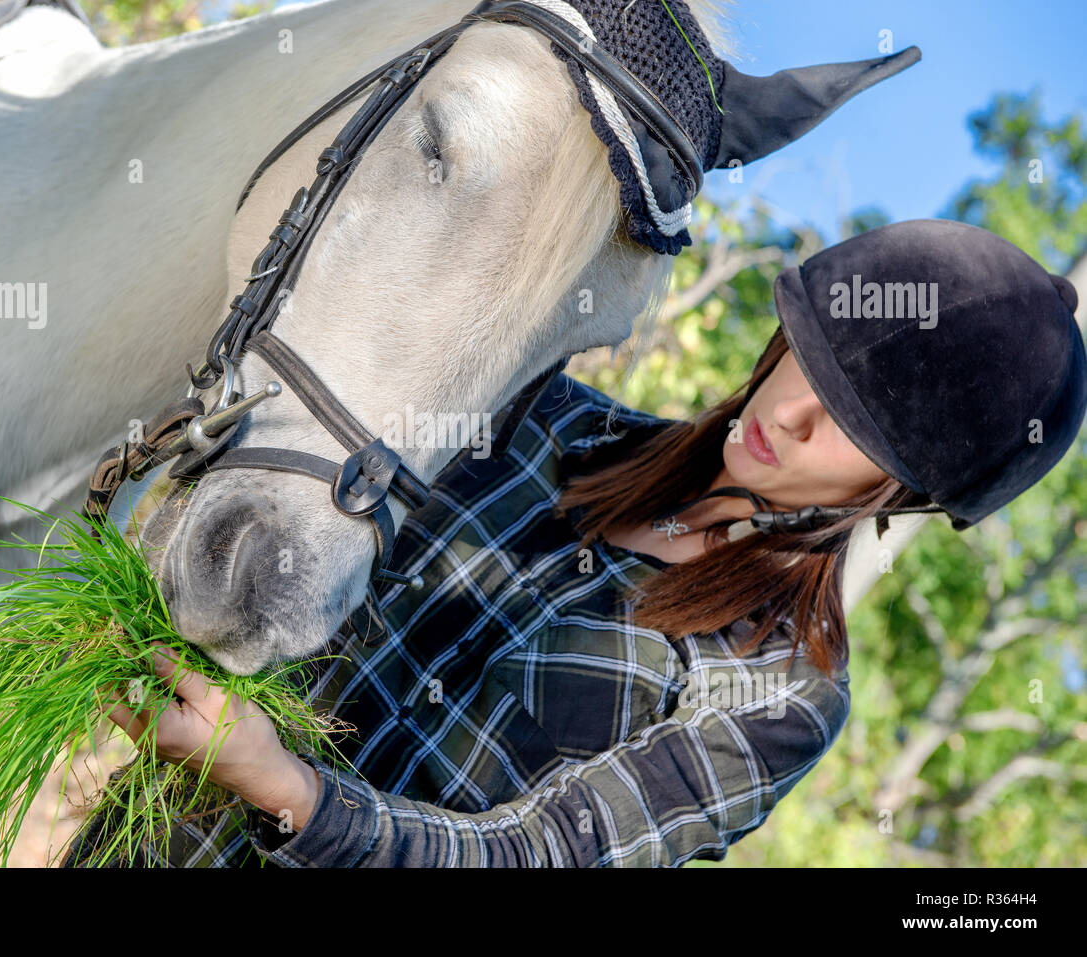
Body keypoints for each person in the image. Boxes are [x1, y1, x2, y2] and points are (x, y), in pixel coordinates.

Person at [72, 219, 1086, 867]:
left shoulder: (784, 692)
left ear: (896, 492)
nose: (804, 412)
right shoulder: (541, 419)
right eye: (816, 359)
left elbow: (538, 855)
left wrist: (285, 793)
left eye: (862, 426)